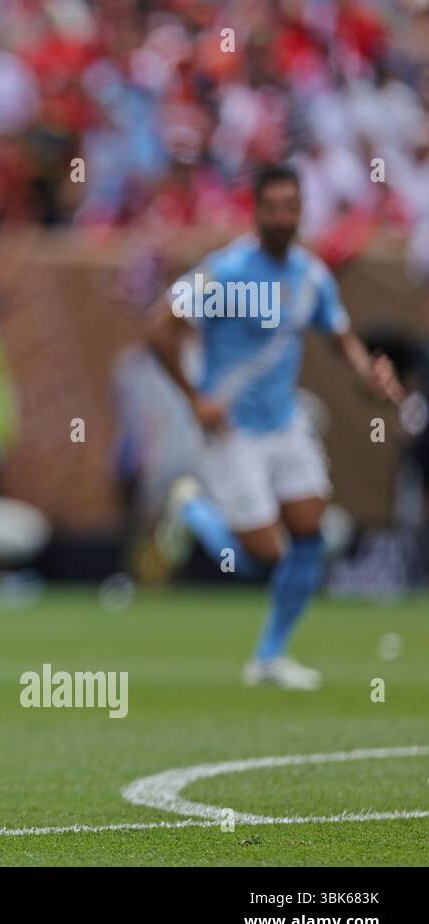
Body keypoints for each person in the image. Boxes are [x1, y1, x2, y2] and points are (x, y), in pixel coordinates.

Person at [149, 164, 403, 689]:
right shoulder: (226, 271)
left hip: (284, 423)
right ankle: (192, 510)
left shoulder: (310, 275)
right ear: (256, 211)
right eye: (274, 207)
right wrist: (194, 397)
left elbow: (341, 338)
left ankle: (269, 657)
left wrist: (368, 373)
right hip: (233, 430)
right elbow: (160, 326)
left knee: (310, 532)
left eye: (292, 206)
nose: (284, 216)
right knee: (261, 558)